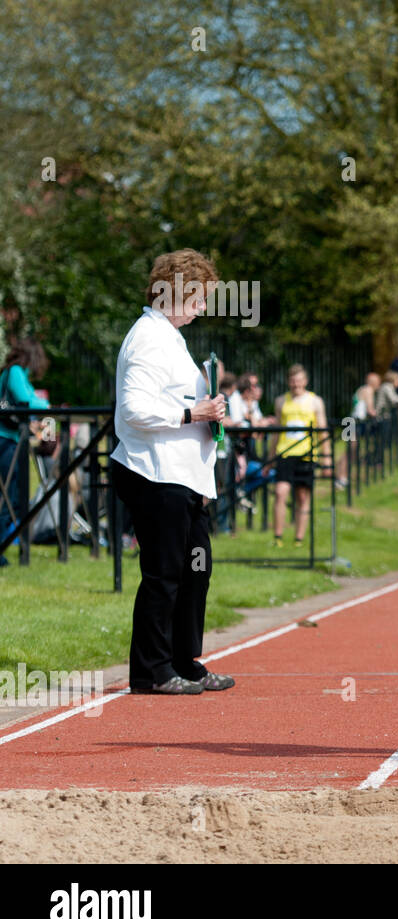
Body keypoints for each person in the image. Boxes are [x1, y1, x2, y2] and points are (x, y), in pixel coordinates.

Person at [110, 248, 234, 695]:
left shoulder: (169, 337)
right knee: (164, 575)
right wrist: (192, 413)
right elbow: (134, 409)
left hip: (183, 478)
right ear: (177, 292)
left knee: (194, 571)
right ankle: (152, 671)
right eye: (199, 298)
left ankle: (183, 659)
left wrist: (211, 410)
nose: (203, 308)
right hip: (155, 474)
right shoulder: (147, 336)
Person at [0, 340, 51, 566]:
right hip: (6, 441)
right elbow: (28, 401)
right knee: (9, 498)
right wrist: (48, 405)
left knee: (12, 497)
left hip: (11, 439)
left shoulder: (11, 372)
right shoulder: (16, 372)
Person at [272, 364, 330, 547]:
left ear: (305, 381)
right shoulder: (281, 401)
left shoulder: (315, 401)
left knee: (302, 498)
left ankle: (299, 538)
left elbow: (322, 431)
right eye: (292, 380)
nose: (295, 384)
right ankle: (278, 537)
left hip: (306, 454)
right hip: (285, 452)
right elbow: (275, 431)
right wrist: (269, 457)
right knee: (281, 493)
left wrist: (326, 457)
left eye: (299, 380)